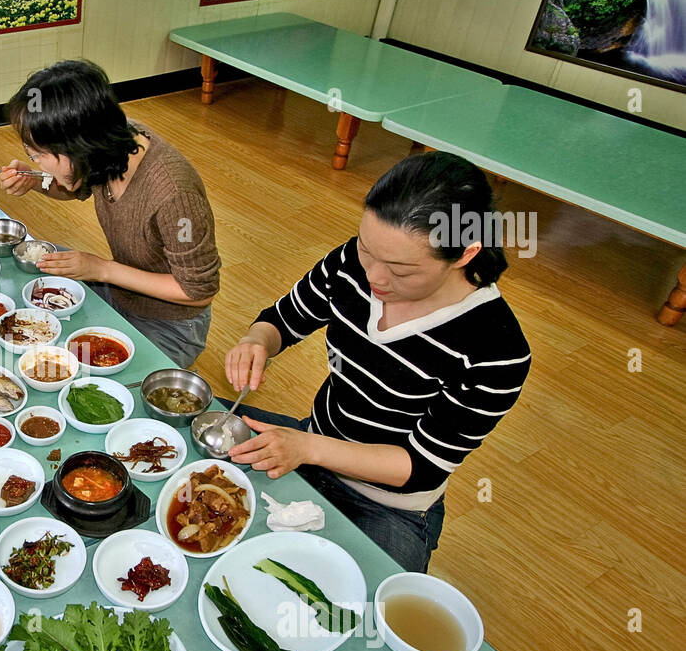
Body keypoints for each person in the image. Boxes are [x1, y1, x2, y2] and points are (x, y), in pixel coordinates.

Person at [223, 152, 531, 573]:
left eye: (402, 271)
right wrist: (256, 340)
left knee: (367, 615)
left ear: (464, 254)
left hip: (388, 504)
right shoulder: (354, 262)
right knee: (184, 429)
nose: (375, 278)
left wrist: (310, 448)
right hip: (310, 446)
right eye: (368, 250)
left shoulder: (495, 349)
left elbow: (419, 466)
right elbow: (284, 320)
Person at [0, 60, 220, 368]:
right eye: (30, 152)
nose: (35, 160)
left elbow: (198, 291)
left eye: (40, 154)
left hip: (170, 325)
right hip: (119, 291)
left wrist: (102, 270)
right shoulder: (110, 145)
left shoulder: (175, 196)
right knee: (34, 277)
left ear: (79, 146)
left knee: (79, 375)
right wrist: (35, 180)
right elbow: (79, 184)